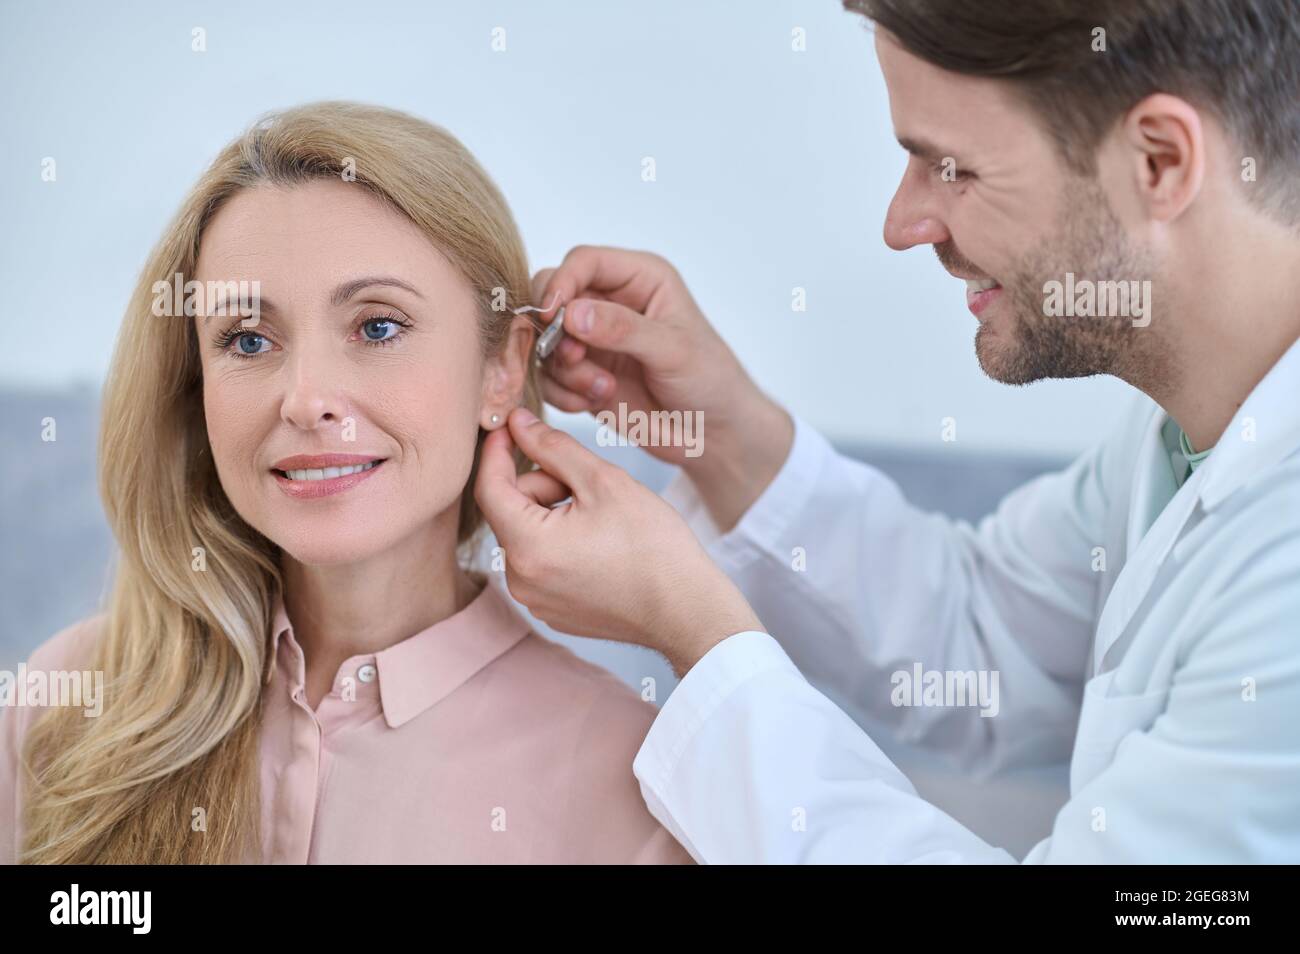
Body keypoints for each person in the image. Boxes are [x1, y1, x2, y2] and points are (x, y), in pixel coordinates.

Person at [473, 0, 1300, 862]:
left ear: (1158, 162)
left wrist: (693, 630)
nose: (904, 225)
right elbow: (982, 640)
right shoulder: (1188, 435)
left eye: (955, 170)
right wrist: (724, 436)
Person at [0, 101, 692, 865]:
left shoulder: (639, 778)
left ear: (500, 369)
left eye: (377, 327)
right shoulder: (62, 700)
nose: (304, 399)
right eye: (249, 339)